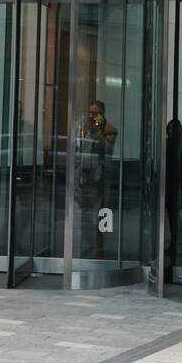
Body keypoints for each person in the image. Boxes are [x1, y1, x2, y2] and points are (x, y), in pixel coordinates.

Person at [74, 99, 118, 259]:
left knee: (101, 213)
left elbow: (105, 147)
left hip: (101, 176)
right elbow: (80, 147)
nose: (91, 116)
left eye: (94, 113)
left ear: (101, 114)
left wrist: (98, 129)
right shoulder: (85, 128)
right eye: (90, 113)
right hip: (85, 175)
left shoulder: (110, 129)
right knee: (84, 212)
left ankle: (100, 247)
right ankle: (91, 243)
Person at [163, 119, 182, 282]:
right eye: (169, 129)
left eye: (173, 129)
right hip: (168, 184)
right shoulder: (168, 143)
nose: (170, 132)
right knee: (171, 216)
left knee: (174, 216)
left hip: (176, 184)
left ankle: (176, 244)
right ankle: (173, 244)